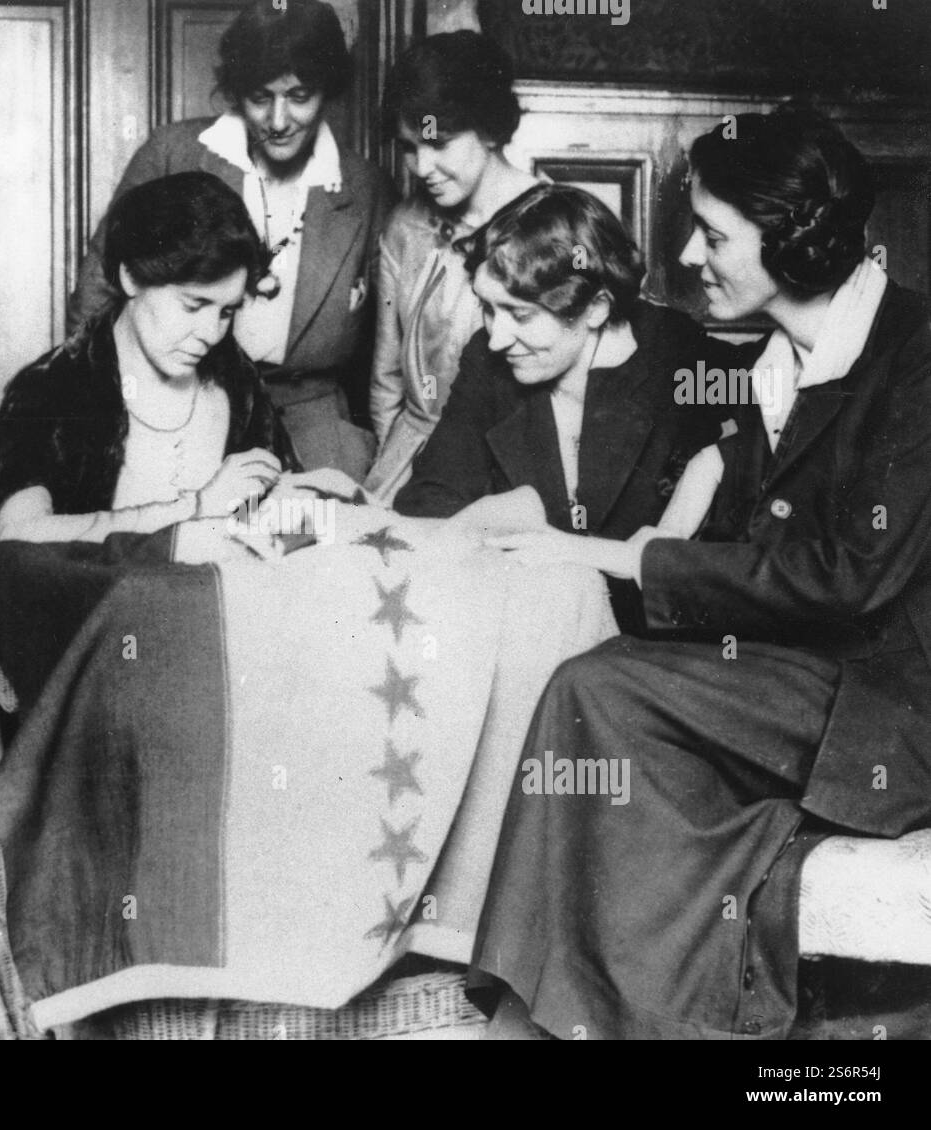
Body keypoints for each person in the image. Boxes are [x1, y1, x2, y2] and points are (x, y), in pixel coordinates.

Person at [472, 106, 931, 1039]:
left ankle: (532, 1020)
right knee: (601, 702)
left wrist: (626, 556)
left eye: (714, 234)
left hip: (890, 705)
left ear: (795, 244)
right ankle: (598, 1014)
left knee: (598, 691)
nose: (686, 255)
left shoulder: (914, 357)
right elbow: (731, 530)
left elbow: (850, 579)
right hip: (799, 679)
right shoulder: (765, 370)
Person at [66, 0, 392, 480]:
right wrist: (101, 409)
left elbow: (380, 348)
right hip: (181, 404)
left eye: (299, 95)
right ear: (238, 91)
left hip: (316, 424)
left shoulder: (365, 188)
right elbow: (100, 286)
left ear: (327, 91)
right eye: (261, 97)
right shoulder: (173, 153)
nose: (278, 120)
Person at [394, 183, 729, 632]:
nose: (496, 337)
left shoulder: (682, 359)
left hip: (648, 646)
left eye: (521, 314)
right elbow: (430, 499)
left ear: (595, 308)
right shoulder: (488, 360)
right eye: (489, 309)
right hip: (522, 624)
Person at [0, 172, 298, 545]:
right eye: (193, 305)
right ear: (131, 277)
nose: (211, 333)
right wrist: (194, 510)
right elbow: (15, 536)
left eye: (227, 312)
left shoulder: (238, 380)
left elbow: (288, 514)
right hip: (95, 602)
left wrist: (262, 515)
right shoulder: (52, 386)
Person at [363, 31, 542, 504]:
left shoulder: (555, 226)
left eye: (437, 143)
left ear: (487, 128)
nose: (421, 167)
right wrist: (393, 462)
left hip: (508, 474)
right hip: (408, 464)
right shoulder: (405, 227)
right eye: (407, 147)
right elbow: (387, 379)